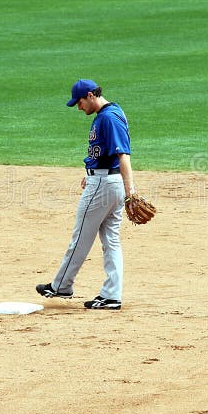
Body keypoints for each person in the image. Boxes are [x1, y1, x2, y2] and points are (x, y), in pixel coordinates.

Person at [36, 79, 137, 310]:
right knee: (111, 241)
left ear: (90, 95)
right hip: (106, 180)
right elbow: (107, 154)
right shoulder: (110, 113)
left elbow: (123, 156)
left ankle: (61, 285)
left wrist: (131, 191)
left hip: (104, 185)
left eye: (80, 102)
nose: (79, 108)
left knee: (81, 235)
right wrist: (91, 172)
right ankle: (112, 296)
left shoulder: (109, 118)